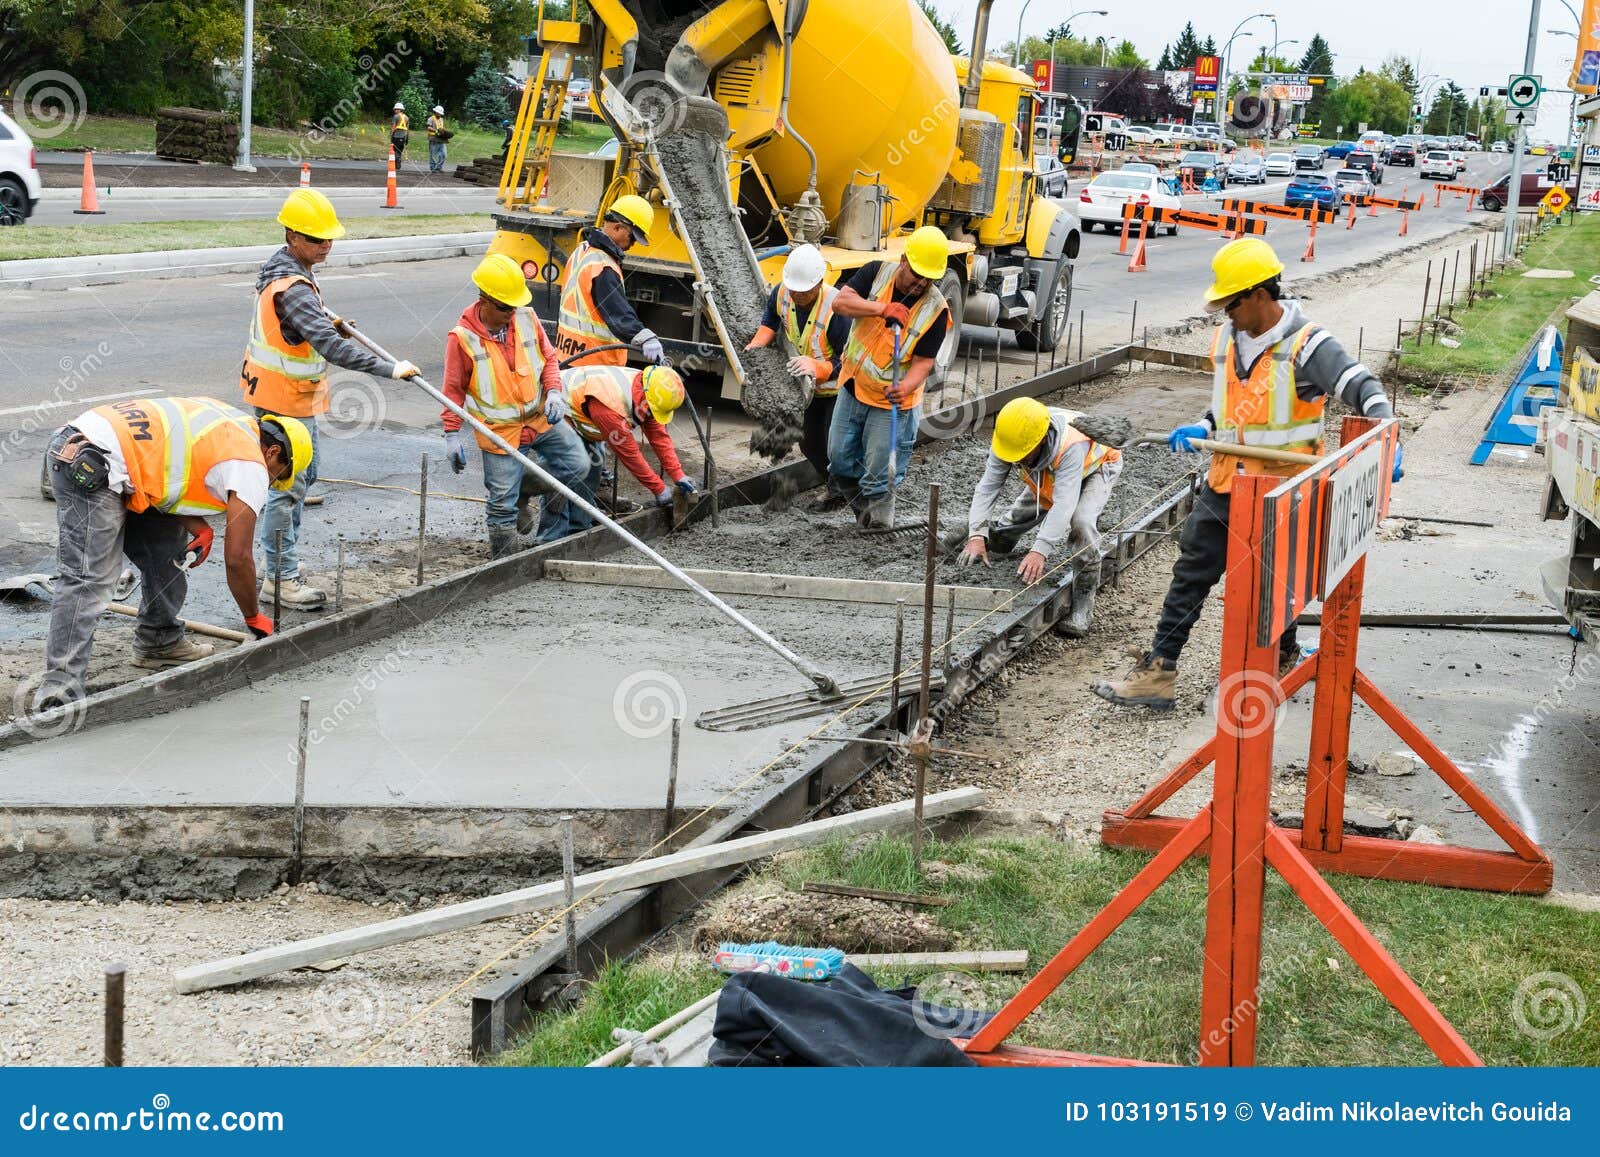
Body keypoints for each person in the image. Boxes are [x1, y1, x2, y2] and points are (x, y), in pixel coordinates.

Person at [1094, 237, 1403, 711]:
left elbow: (1364, 388)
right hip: (1226, 482)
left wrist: (1387, 438)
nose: (1224, 313)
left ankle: (1281, 657)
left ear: (1260, 295)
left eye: (1231, 302)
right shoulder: (1226, 339)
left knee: (1276, 585)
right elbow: (1230, 409)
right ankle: (1157, 675)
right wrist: (1204, 425)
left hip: (1282, 490)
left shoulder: (1307, 344)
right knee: (1191, 573)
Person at [33, 397, 311, 711]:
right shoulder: (252, 465)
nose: (272, 482)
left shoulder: (236, 426)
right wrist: (253, 617)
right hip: (90, 462)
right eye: (278, 474)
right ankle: (59, 693)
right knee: (89, 578)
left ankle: (159, 641)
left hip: (112, 456)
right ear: (273, 453)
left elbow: (164, 470)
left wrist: (201, 528)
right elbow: (237, 559)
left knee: (168, 552)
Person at [240, 188, 420, 608]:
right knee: (287, 486)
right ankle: (280, 577)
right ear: (293, 236)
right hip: (282, 401)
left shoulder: (288, 270)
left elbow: (301, 331)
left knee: (305, 475)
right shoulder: (293, 287)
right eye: (318, 239)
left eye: (329, 239)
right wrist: (389, 369)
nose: (327, 246)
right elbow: (332, 349)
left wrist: (323, 324)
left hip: (291, 399)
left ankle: (275, 562)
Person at [442, 254, 594, 558]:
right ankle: (505, 562)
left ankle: (533, 505)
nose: (511, 313)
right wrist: (451, 434)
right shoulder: (462, 339)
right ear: (484, 299)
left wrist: (553, 392)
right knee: (501, 503)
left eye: (514, 305)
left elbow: (549, 358)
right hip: (501, 432)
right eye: (504, 307)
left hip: (540, 419)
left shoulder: (526, 318)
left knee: (578, 464)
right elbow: (453, 389)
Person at [957, 398, 1122, 638]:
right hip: (1050, 467)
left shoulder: (1071, 444)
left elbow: (1064, 503)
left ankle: (1083, 605)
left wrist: (1039, 550)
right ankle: (995, 539)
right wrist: (976, 534)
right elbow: (988, 487)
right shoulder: (1010, 438)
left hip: (1097, 467)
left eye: (1023, 455)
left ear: (1043, 439)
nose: (1017, 461)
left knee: (1082, 522)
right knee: (1018, 518)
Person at [826, 225, 951, 527]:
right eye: (917, 274)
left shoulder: (936, 310)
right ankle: (862, 514)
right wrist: (882, 309)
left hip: (891, 400)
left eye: (929, 278)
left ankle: (881, 523)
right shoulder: (876, 273)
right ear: (904, 260)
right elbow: (840, 303)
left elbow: (924, 362)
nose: (921, 283)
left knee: (880, 469)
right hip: (853, 385)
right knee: (839, 458)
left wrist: (906, 386)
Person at [744, 244, 849, 509]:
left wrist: (818, 367)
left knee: (834, 446)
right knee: (810, 445)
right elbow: (770, 321)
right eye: (794, 289)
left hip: (837, 389)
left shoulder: (836, 309)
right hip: (805, 388)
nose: (797, 295)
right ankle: (835, 487)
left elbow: (848, 360)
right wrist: (756, 347)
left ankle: (842, 493)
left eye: (804, 291)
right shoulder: (782, 292)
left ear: (819, 283)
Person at [555, 194, 667, 369]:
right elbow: (617, 313)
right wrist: (643, 336)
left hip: (568, 355)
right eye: (633, 238)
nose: (633, 245)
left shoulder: (582, 251)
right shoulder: (603, 266)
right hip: (593, 366)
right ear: (618, 228)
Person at [564, 364, 697, 510]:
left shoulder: (649, 388)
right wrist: (659, 489)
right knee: (563, 477)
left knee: (590, 474)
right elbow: (629, 454)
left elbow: (659, 437)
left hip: (582, 419)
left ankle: (580, 525)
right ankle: (555, 531)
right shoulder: (610, 406)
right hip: (555, 414)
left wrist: (678, 474)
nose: (652, 416)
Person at [426, 105, 448, 173]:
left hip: (441, 139)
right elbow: (428, 127)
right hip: (433, 138)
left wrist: (445, 133)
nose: (440, 114)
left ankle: (439, 167)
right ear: (435, 112)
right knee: (433, 154)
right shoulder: (431, 119)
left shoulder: (441, 119)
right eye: (438, 113)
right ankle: (433, 168)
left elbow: (442, 128)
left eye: (440, 113)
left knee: (444, 154)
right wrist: (436, 130)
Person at [389, 102, 409, 170]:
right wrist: (407, 138)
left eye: (396, 109)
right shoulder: (406, 117)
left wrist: (391, 136)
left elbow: (393, 127)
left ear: (399, 109)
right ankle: (398, 162)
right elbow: (407, 129)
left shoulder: (396, 116)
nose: (395, 111)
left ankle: (397, 162)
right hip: (403, 137)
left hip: (396, 137)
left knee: (395, 150)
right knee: (400, 150)